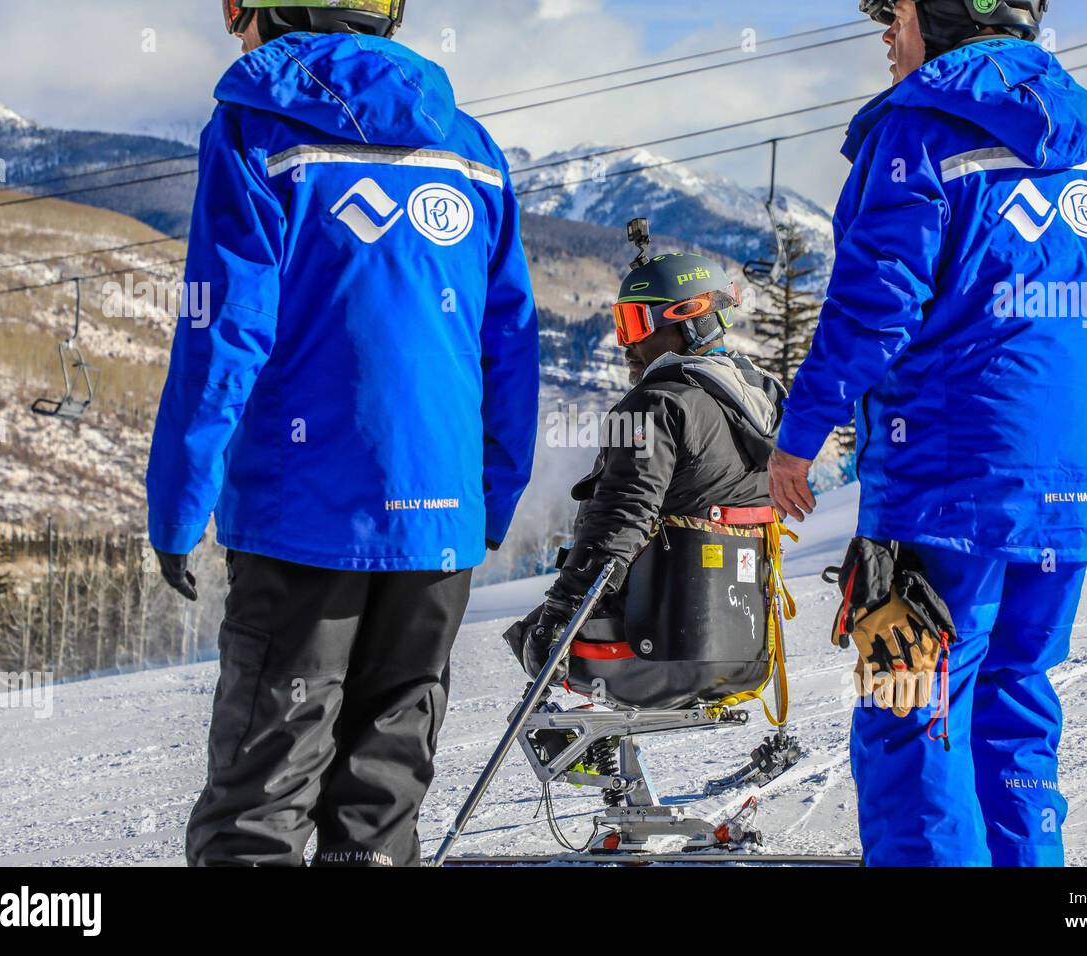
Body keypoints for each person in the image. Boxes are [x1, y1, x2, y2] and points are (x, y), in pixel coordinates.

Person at [145, 0, 538, 867]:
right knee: (380, 803)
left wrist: (177, 504)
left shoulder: (257, 128)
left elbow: (223, 329)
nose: (232, 29)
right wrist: (490, 497)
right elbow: (509, 340)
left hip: (307, 521)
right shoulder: (470, 150)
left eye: (235, 8)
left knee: (264, 794)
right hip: (439, 532)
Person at [769, 0, 1087, 866]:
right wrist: (1050, 413)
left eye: (892, 14)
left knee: (912, 704)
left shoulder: (917, 129)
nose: (885, 38)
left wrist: (801, 434)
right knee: (1017, 694)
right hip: (1071, 486)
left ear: (936, 17)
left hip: (947, 478)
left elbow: (875, 305)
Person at [506, 231, 786, 709]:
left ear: (690, 322)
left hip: (651, 648)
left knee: (531, 638)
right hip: (744, 653)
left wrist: (561, 612)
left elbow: (621, 519)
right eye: (621, 325)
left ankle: (595, 757)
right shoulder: (767, 403)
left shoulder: (653, 406)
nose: (625, 345)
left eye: (635, 324)